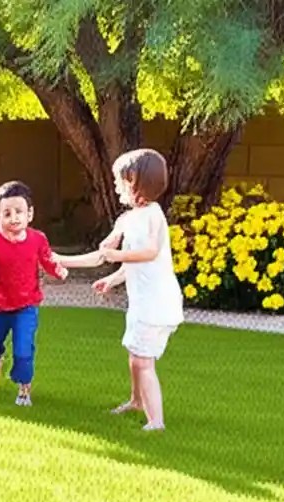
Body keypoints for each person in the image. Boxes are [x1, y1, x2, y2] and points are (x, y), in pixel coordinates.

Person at [93, 148, 184, 431]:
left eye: (121, 181)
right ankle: (136, 401)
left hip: (157, 303)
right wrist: (113, 279)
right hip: (142, 303)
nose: (117, 187)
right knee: (135, 357)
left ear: (136, 183)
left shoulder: (153, 215)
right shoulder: (129, 219)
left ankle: (156, 422)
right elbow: (126, 259)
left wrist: (116, 255)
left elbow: (150, 252)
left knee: (144, 362)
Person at [0, 180, 74, 406]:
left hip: (26, 305)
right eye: (7, 213)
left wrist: (57, 270)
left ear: (30, 214)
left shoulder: (37, 239)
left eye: (19, 212)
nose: (14, 218)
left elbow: (47, 259)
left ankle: (24, 389)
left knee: (24, 349)